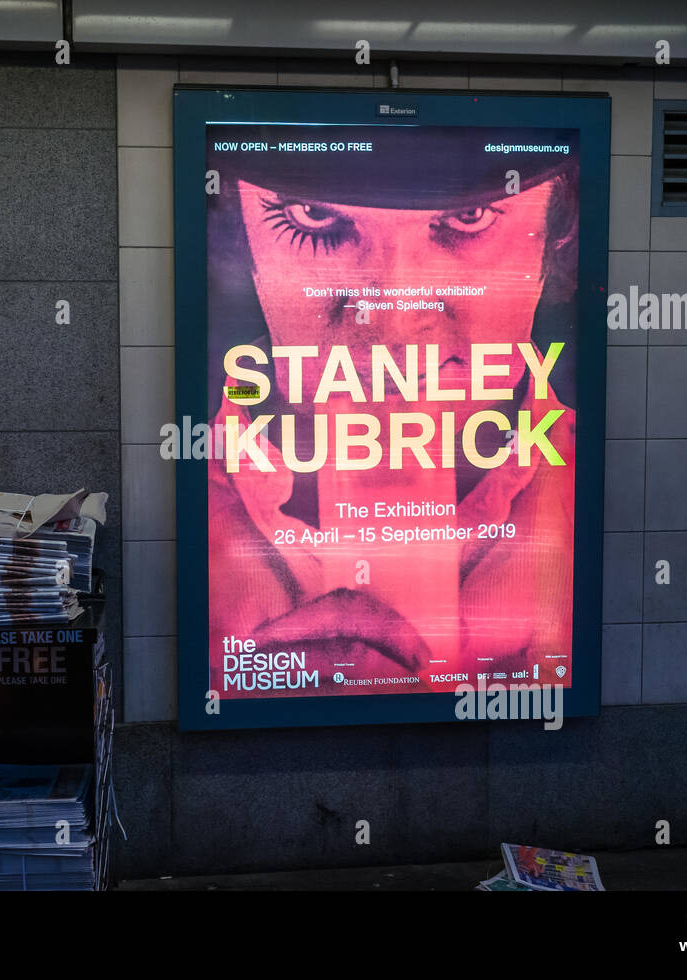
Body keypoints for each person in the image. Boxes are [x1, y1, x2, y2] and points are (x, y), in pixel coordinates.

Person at [204, 125, 579, 697]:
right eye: (309, 216)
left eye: (470, 218)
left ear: (554, 239)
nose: (392, 331)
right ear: (243, 243)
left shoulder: (605, 493)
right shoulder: (180, 493)